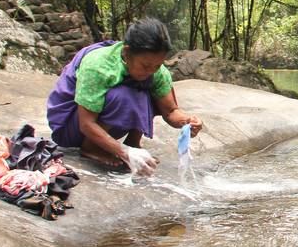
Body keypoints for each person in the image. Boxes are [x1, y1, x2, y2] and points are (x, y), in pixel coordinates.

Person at [46, 17, 203, 173]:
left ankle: (133, 143)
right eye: (145, 65)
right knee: (125, 96)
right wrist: (123, 152)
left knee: (146, 89)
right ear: (127, 53)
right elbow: (86, 123)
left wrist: (187, 123)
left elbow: (169, 111)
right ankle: (91, 148)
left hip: (97, 124)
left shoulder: (157, 72)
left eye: (157, 65)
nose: (152, 70)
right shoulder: (98, 66)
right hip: (69, 126)